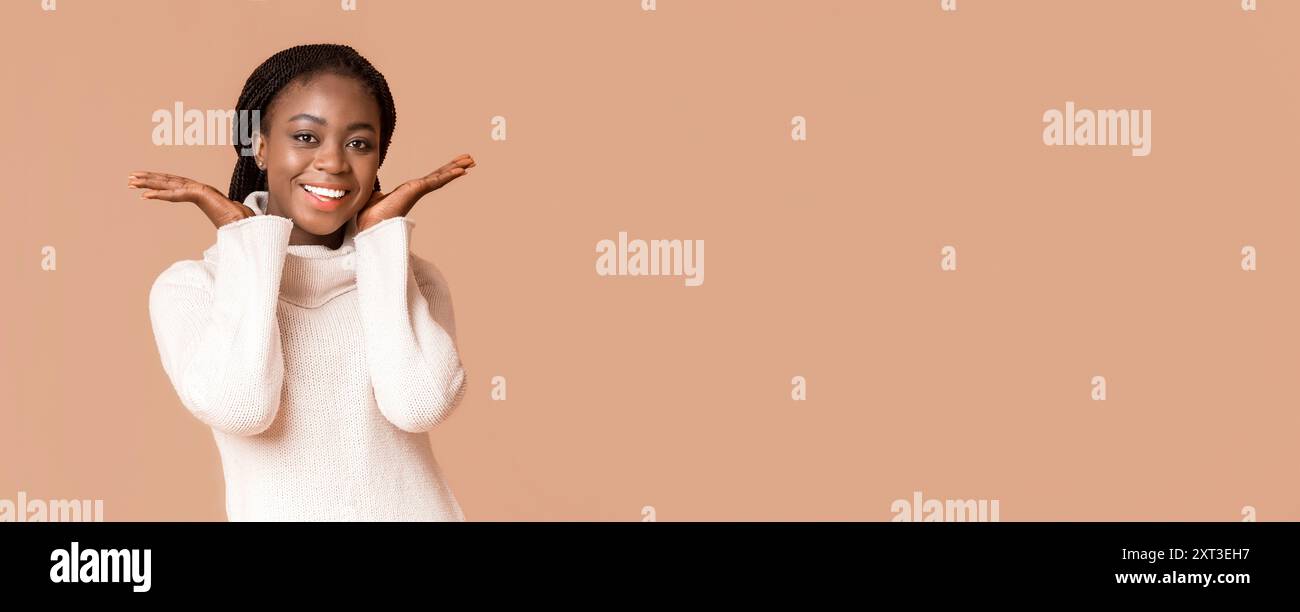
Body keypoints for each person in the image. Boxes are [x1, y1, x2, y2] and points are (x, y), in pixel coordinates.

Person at [133, 43, 476, 521]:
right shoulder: (194, 288)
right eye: (306, 137)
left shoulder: (410, 277)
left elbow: (418, 406)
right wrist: (246, 239)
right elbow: (242, 407)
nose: (334, 163)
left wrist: (380, 244)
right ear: (260, 145)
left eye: (359, 143)